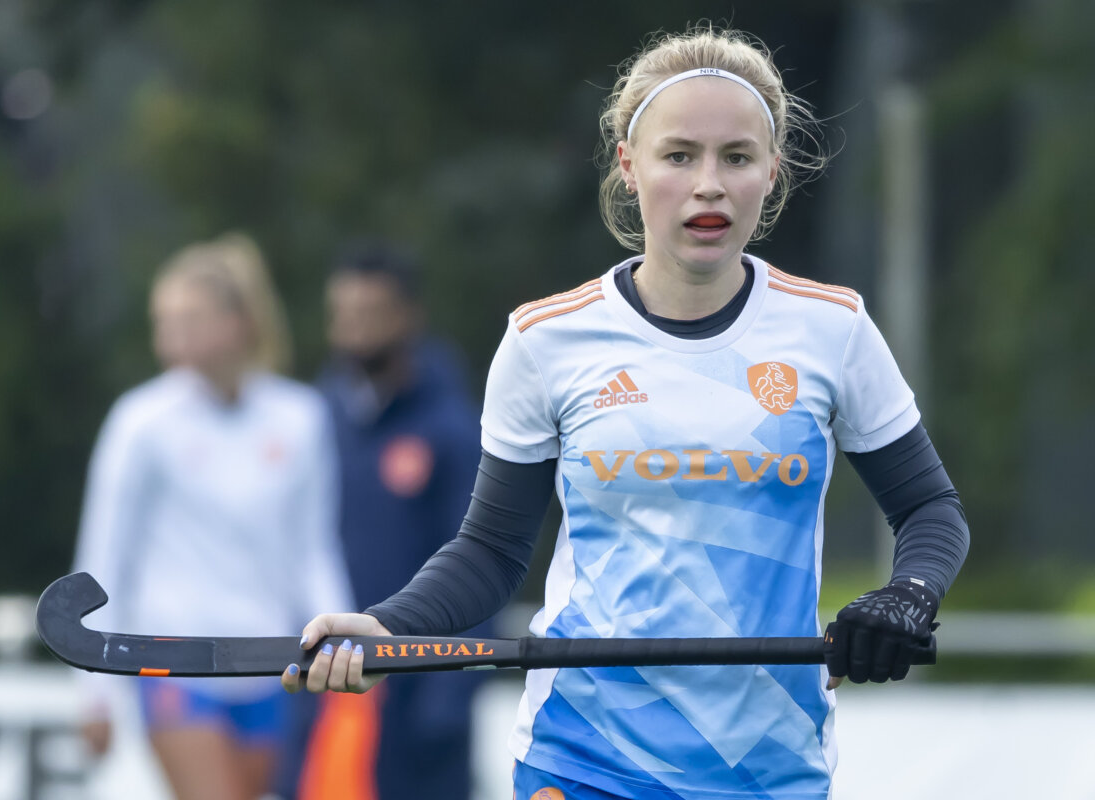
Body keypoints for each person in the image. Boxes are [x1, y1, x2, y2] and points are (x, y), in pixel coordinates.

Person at [282, 25, 970, 800]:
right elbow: (492, 552)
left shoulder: (832, 330)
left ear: (772, 173)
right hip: (582, 757)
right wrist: (391, 626)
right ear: (628, 165)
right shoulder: (545, 338)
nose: (709, 183)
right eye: (679, 155)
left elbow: (930, 509)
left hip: (769, 768)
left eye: (736, 157)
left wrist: (905, 595)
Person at [73, 233, 352, 800]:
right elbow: (103, 557)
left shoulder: (301, 417)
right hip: (174, 660)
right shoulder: (140, 421)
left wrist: (347, 640)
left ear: (239, 321)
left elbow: (313, 548)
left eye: (188, 318)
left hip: (272, 665)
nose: (167, 335)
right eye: (163, 319)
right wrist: (92, 692)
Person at [279, 242, 486, 800]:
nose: (353, 330)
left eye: (369, 314)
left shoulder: (451, 428)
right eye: (342, 315)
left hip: (417, 689)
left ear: (408, 317)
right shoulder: (311, 419)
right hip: (321, 681)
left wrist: (448, 700)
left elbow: (478, 558)